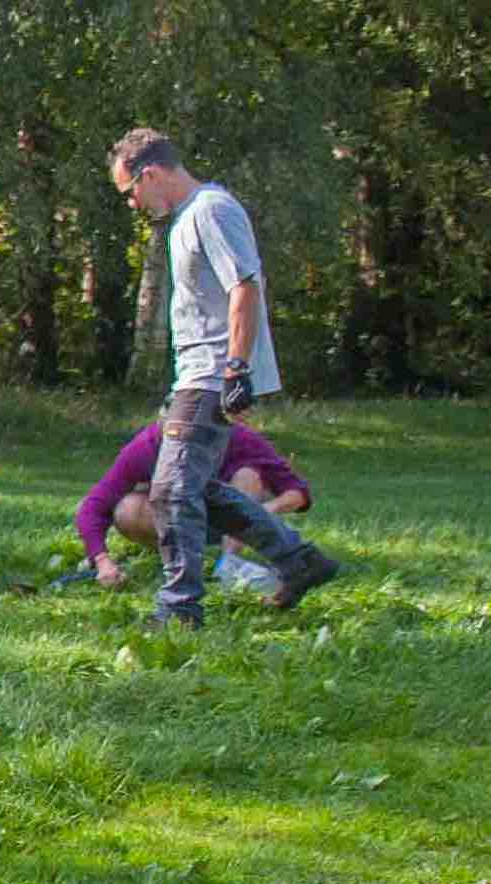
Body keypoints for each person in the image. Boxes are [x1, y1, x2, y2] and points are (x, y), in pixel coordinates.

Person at [108, 128, 343, 627]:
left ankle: (180, 608)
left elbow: (245, 285)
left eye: (129, 191)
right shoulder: (189, 219)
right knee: (195, 490)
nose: (132, 203)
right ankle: (300, 562)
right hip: (196, 375)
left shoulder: (211, 210)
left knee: (172, 492)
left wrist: (236, 369)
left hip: (212, 375)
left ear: (148, 174)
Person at [75, 418, 315, 589]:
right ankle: (177, 559)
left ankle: (229, 563)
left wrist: (260, 513)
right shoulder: (146, 447)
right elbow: (93, 507)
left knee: (249, 476)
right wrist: (102, 561)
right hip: (179, 518)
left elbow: (299, 494)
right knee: (127, 509)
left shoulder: (240, 439)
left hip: (229, 520)